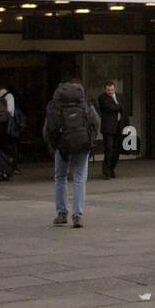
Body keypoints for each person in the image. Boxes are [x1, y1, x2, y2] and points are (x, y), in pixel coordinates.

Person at [43, 79, 100, 227]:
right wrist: (90, 139)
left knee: (60, 177)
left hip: (62, 145)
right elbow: (96, 121)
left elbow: (48, 128)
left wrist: (55, 145)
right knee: (80, 178)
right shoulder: (84, 104)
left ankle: (62, 213)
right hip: (82, 144)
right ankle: (77, 215)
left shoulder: (55, 105)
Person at [96, 80, 128, 179]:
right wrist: (119, 107)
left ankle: (112, 168)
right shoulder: (102, 97)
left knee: (117, 149)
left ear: (114, 89)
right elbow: (110, 108)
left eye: (112, 89)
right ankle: (106, 171)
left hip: (119, 126)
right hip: (108, 128)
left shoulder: (119, 96)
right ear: (105, 89)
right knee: (108, 149)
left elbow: (124, 109)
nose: (110, 92)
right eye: (108, 90)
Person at [0, 84, 20, 170]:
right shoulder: (9, 96)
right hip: (7, 126)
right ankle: (12, 166)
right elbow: (10, 111)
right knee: (11, 146)